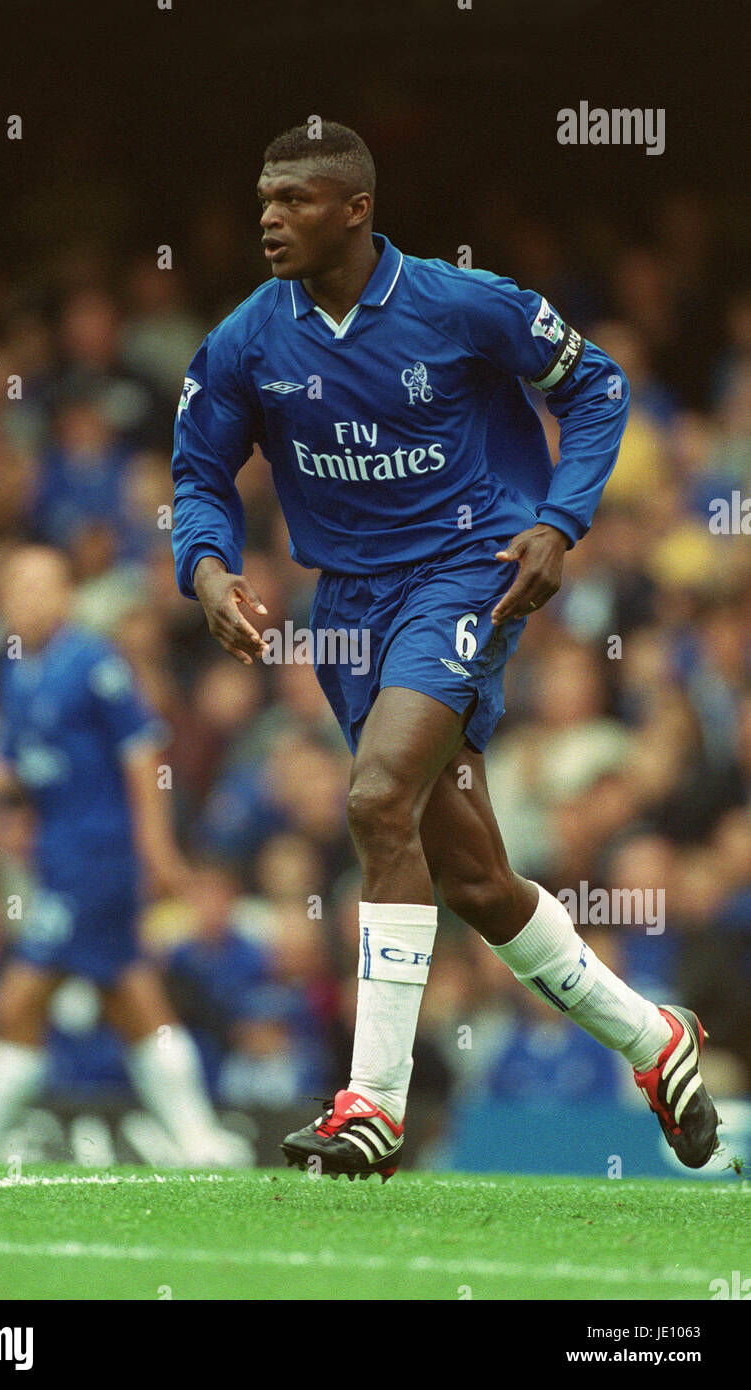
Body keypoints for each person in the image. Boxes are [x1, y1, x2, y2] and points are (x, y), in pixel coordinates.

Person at [171, 122, 718, 1179]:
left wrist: (558, 521)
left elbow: (595, 387)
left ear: (354, 209)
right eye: (262, 199)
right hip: (350, 605)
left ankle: (371, 1104)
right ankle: (652, 1040)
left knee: (376, 800)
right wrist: (205, 568)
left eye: (291, 200)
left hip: (467, 571)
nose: (268, 219)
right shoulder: (247, 336)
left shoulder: (462, 304)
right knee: (469, 873)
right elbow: (198, 468)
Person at [0, 544, 252, 1167]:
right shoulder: (17, 669)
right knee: (129, 996)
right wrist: (1, 802)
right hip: (55, 857)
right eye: (20, 587)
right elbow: (18, 766)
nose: (31, 599)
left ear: (67, 596)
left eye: (45, 586)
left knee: (17, 999)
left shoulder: (92, 661)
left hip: (99, 858)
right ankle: (199, 1140)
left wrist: (155, 847)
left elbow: (141, 749)